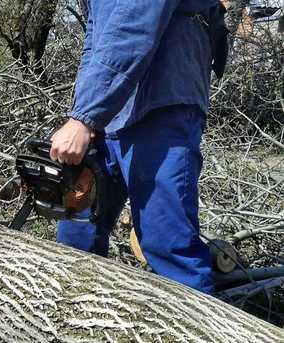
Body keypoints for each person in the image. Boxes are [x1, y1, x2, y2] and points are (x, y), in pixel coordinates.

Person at [50, 1, 227, 294]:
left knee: (167, 245)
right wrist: (84, 114)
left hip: (163, 104)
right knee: (77, 230)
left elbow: (135, 27)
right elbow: (94, 43)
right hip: (110, 113)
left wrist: (84, 118)